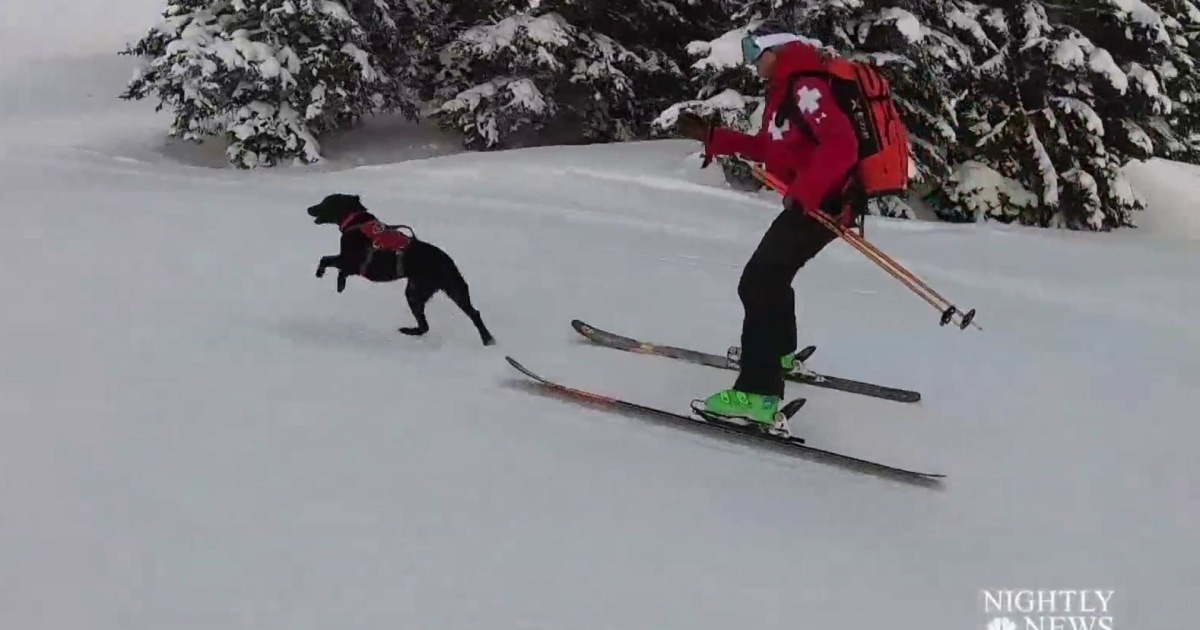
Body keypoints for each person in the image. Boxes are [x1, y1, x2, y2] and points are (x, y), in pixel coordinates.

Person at [675, 23, 864, 430]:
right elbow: (771, 148)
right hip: (816, 200)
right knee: (772, 278)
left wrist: (808, 191)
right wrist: (715, 137)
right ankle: (778, 355)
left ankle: (758, 394)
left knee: (758, 283)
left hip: (823, 204)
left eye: (754, 50)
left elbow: (842, 144)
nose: (750, 61)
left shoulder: (805, 86)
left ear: (776, 51)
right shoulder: (786, 89)